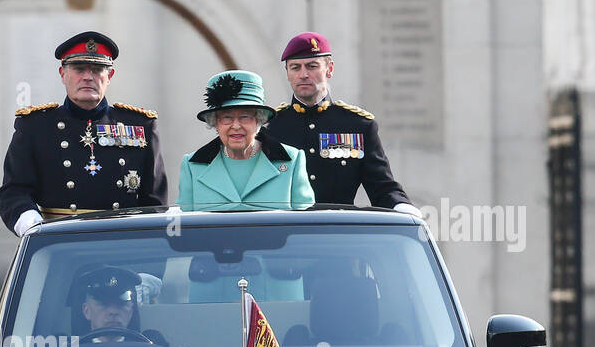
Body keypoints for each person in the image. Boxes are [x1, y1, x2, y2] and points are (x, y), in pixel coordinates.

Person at [0, 31, 167, 236]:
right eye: (79, 69)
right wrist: (32, 226)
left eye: (97, 70)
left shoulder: (140, 125)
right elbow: (13, 191)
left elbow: (154, 200)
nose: (88, 77)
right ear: (62, 74)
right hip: (58, 241)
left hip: (123, 242)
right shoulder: (35, 126)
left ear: (109, 76)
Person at [264, 32, 418, 213]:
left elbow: (381, 186)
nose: (303, 74)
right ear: (288, 73)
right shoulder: (270, 127)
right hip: (286, 231)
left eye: (312, 66)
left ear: (329, 69)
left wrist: (402, 207)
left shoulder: (357, 126)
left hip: (337, 230)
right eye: (295, 67)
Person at [177, 71, 314, 211]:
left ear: (258, 121)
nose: (236, 126)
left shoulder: (291, 161)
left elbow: (305, 223)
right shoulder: (192, 166)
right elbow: (186, 226)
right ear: (216, 123)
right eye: (227, 117)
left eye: (244, 117)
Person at [74, 265, 167, 345]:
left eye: (121, 304)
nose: (113, 311)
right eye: (104, 304)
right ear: (86, 311)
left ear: (131, 311)